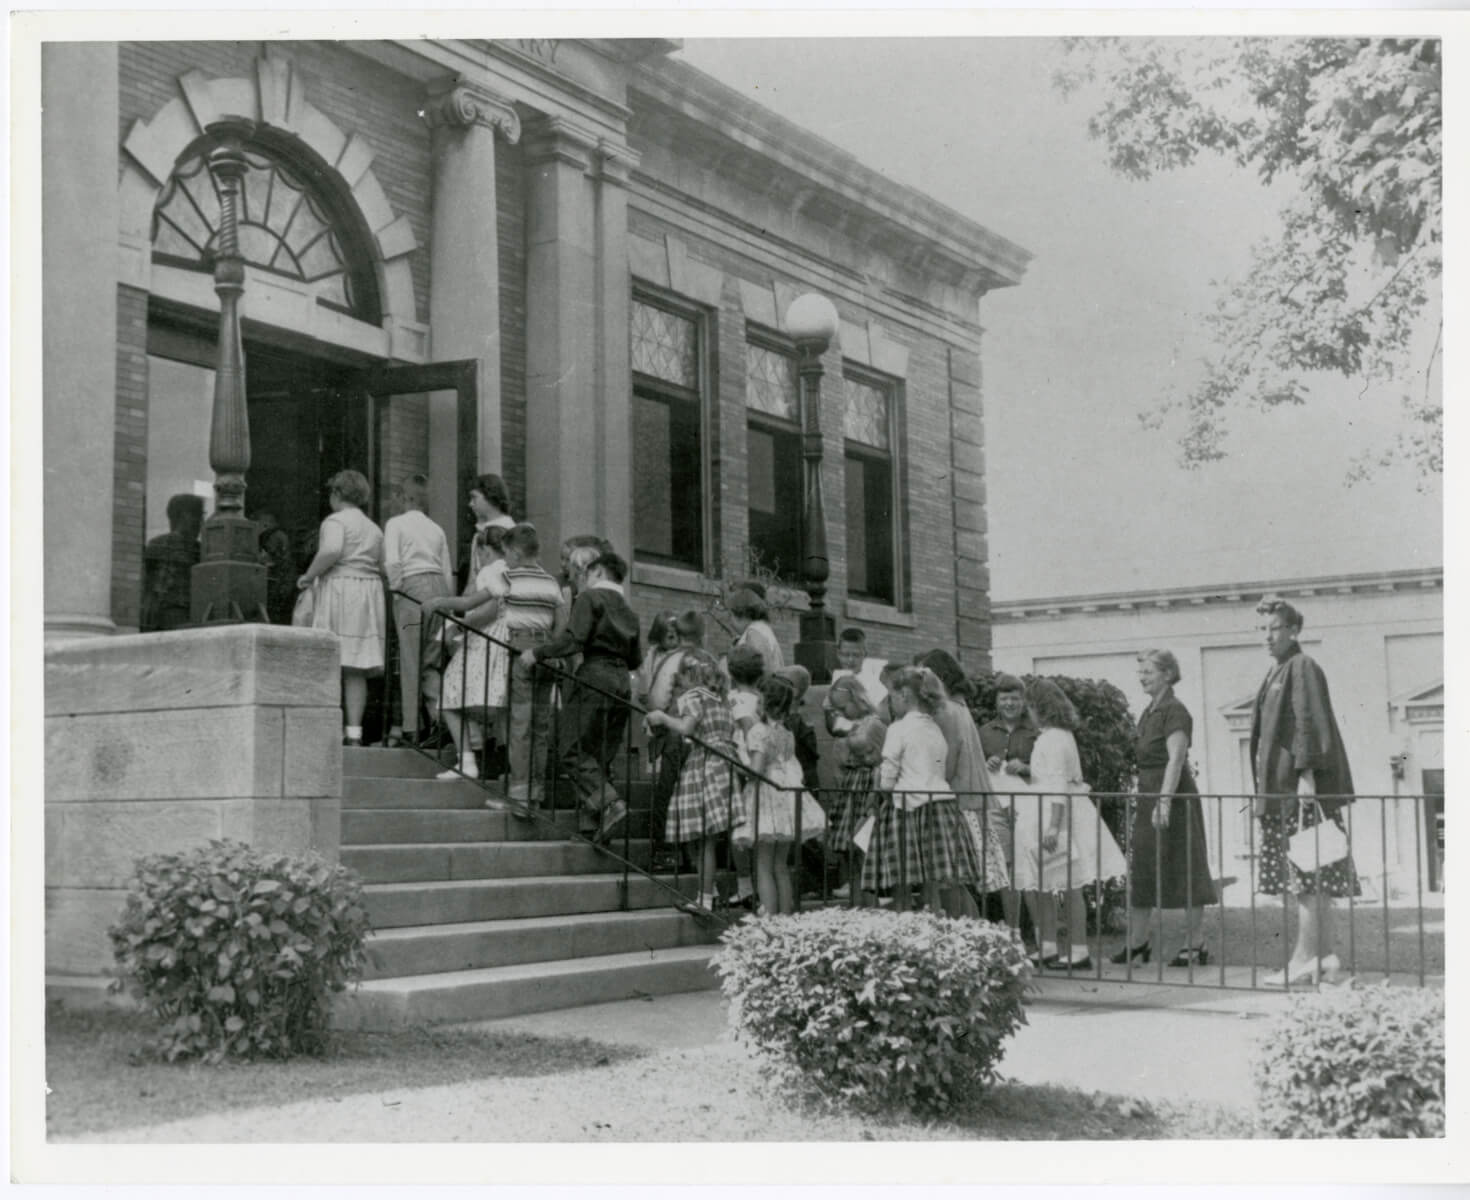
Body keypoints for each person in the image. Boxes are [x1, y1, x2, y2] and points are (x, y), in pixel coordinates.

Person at [1250, 597, 1359, 986]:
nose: (1267, 635)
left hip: (1299, 790)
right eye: (1262, 629)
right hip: (1283, 791)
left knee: (1308, 879)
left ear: (1293, 630)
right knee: (1310, 879)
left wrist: (1307, 777)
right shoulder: (1278, 670)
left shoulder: (1302, 666)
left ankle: (1303, 959)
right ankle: (1325, 957)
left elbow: (1307, 721)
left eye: (1274, 628)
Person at [524, 550, 641, 845]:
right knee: (599, 753)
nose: (583, 579)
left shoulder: (590, 598)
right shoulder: (629, 609)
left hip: (595, 674)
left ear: (599, 572)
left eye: (587, 573)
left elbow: (573, 639)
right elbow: (636, 659)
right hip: (622, 681)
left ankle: (610, 803)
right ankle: (594, 825)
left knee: (570, 747)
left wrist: (537, 652)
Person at [1113, 649, 1217, 967]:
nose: (1142, 677)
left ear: (1168, 674)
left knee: (1187, 867)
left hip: (1173, 799)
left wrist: (1165, 801)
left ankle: (1196, 942)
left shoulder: (1175, 710)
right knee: (1143, 867)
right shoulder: (1149, 712)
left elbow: (1176, 758)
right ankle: (1138, 941)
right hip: (1148, 797)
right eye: (1140, 672)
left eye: (1149, 671)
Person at [1014, 678, 1128, 971]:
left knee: (1068, 882)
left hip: (1057, 817)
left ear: (1040, 707)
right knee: (1046, 882)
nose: (1029, 713)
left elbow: (1057, 786)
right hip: (1053, 812)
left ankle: (1078, 950)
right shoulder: (1059, 736)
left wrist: (1053, 827)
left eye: (1030, 707)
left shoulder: (1052, 739)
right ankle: (1050, 946)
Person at [862, 666, 983, 912]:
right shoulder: (934, 728)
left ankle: (906, 928)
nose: (891, 703)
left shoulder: (899, 728)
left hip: (908, 809)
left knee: (902, 879)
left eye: (892, 697)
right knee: (934, 879)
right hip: (941, 808)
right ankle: (936, 925)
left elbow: (888, 773)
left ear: (904, 695)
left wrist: (883, 791)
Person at [916, 649, 1012, 919]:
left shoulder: (945, 710)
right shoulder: (960, 707)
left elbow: (946, 760)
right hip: (971, 800)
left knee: (951, 881)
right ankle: (975, 934)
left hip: (957, 803)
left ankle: (972, 936)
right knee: (956, 880)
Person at [647, 649, 744, 915]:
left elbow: (687, 729)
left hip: (704, 765)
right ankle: (709, 894)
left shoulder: (694, 697)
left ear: (691, 678)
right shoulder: (722, 702)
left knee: (702, 839)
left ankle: (705, 898)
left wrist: (663, 718)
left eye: (681, 680)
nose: (680, 686)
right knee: (707, 838)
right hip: (724, 763)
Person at [297, 470, 386, 746]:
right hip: (368, 593)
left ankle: (328, 728)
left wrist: (309, 576)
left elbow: (331, 551)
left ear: (337, 494)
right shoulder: (374, 528)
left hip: (341, 589)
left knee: (330, 658)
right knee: (355, 665)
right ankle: (354, 732)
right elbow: (383, 566)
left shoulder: (335, 521)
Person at [733, 675, 827, 914]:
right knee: (781, 865)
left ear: (765, 702)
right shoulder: (787, 733)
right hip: (785, 796)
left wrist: (735, 761)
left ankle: (770, 918)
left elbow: (755, 771)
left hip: (766, 797)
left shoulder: (758, 731)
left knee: (763, 864)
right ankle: (785, 916)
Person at [382, 475, 455, 748]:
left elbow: (392, 562)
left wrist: (397, 590)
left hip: (411, 590)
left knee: (410, 659)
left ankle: (411, 728)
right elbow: (447, 571)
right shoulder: (436, 529)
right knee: (431, 662)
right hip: (438, 591)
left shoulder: (396, 524)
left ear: (404, 497)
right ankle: (441, 720)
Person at [645, 610, 704, 871]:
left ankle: (665, 852)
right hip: (705, 738)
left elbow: (657, 699)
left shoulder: (674, 660)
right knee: (694, 797)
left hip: (677, 733)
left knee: (667, 795)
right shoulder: (710, 661)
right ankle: (695, 856)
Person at [824, 674, 887, 907]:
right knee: (850, 851)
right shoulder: (848, 727)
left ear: (857, 699)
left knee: (864, 850)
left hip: (867, 789)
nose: (839, 713)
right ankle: (857, 902)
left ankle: (868, 903)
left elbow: (879, 759)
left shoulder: (873, 724)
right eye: (835, 710)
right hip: (852, 788)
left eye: (843, 707)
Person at [724, 645, 767, 911]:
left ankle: (746, 886)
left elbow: (748, 728)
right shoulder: (761, 698)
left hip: (742, 765)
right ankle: (755, 887)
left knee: (738, 828)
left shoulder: (736, 699)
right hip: (758, 765)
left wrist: (747, 761)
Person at [139, 493, 204, 632]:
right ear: (184, 516)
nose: (201, 522)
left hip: (182, 617)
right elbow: (149, 588)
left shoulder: (156, 545)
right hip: (172, 616)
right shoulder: (159, 545)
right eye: (198, 515)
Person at [466, 474, 516, 585]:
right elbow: (473, 579)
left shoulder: (512, 532)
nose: (470, 504)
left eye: (474, 497)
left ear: (490, 495)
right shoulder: (479, 533)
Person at [728, 584, 783, 674]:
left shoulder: (754, 634)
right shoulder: (761, 629)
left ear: (741, 614)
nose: (730, 621)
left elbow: (761, 669)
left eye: (730, 615)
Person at [255, 511, 297, 627]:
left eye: (256, 524)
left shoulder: (271, 536)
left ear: (265, 525)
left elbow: (269, 559)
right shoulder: (279, 535)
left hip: (278, 582)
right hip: (285, 580)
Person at [831, 627, 889, 711]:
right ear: (838, 654)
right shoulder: (835, 677)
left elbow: (883, 716)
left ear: (865, 655)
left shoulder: (874, 684)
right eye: (846, 655)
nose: (850, 660)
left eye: (856, 655)